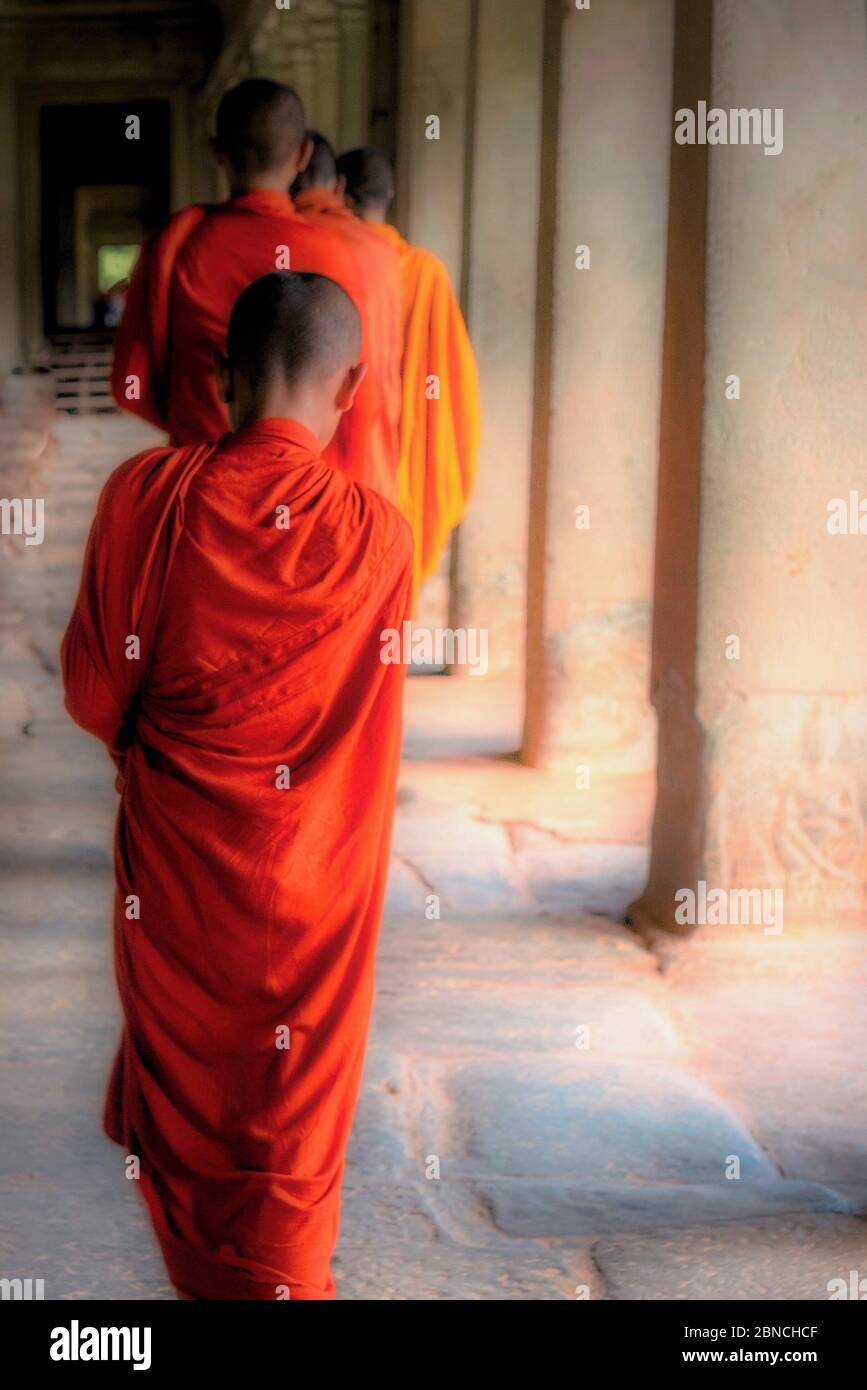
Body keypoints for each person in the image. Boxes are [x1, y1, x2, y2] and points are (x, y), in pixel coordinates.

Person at [63, 271, 413, 1300]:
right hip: (315, 892)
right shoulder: (380, 535)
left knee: (193, 1111)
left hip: (179, 881)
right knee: (288, 1125)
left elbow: (93, 693)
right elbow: (363, 723)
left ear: (220, 376)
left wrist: (159, 746)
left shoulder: (147, 496)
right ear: (352, 386)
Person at [111, 80, 397, 499]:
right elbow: (361, 403)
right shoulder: (332, 253)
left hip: (203, 491)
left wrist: (195, 432)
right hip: (303, 494)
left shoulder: (179, 242)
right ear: (302, 154)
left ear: (216, 151)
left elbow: (131, 384)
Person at [336, 145, 480, 601]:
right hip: (407, 455)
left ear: (339, 191)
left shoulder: (334, 260)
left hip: (346, 451)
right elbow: (454, 383)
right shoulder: (425, 270)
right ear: (390, 196)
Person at [292, 130, 402, 493]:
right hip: (371, 461)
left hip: (299, 470)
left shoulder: (280, 240)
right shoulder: (384, 252)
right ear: (337, 185)